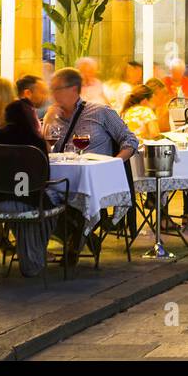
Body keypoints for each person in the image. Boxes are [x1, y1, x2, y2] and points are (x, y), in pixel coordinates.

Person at [42, 67, 139, 264]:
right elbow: (45, 154)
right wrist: (47, 123)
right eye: (51, 90)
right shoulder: (52, 116)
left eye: (57, 89)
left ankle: (78, 239)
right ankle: (82, 235)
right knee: (37, 199)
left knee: (75, 201)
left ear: (74, 89)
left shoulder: (100, 112)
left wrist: (113, 164)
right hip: (60, 180)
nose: (53, 95)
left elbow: (130, 140)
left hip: (94, 181)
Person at [0, 99, 53, 277]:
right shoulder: (36, 142)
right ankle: (33, 253)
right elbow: (44, 179)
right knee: (56, 200)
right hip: (29, 202)